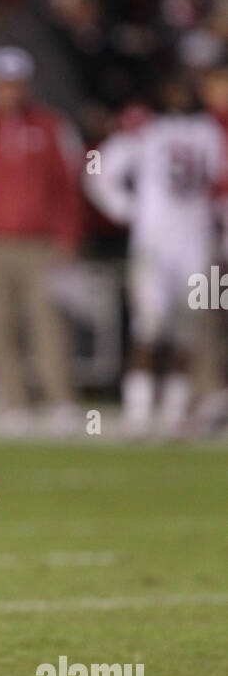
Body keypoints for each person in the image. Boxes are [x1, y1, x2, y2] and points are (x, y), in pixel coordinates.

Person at [85, 71, 225, 436]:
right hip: (155, 240)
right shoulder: (145, 129)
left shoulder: (209, 131)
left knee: (185, 328)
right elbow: (98, 171)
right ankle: (139, 412)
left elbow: (220, 185)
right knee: (148, 323)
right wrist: (128, 210)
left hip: (194, 240)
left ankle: (174, 412)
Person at [0, 46, 82, 432]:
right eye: (5, 84)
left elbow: (69, 187)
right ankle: (14, 401)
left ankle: (59, 398)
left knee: (46, 323)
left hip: (38, 244)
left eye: (17, 84)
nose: (11, 92)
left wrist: (68, 238)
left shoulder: (50, 127)